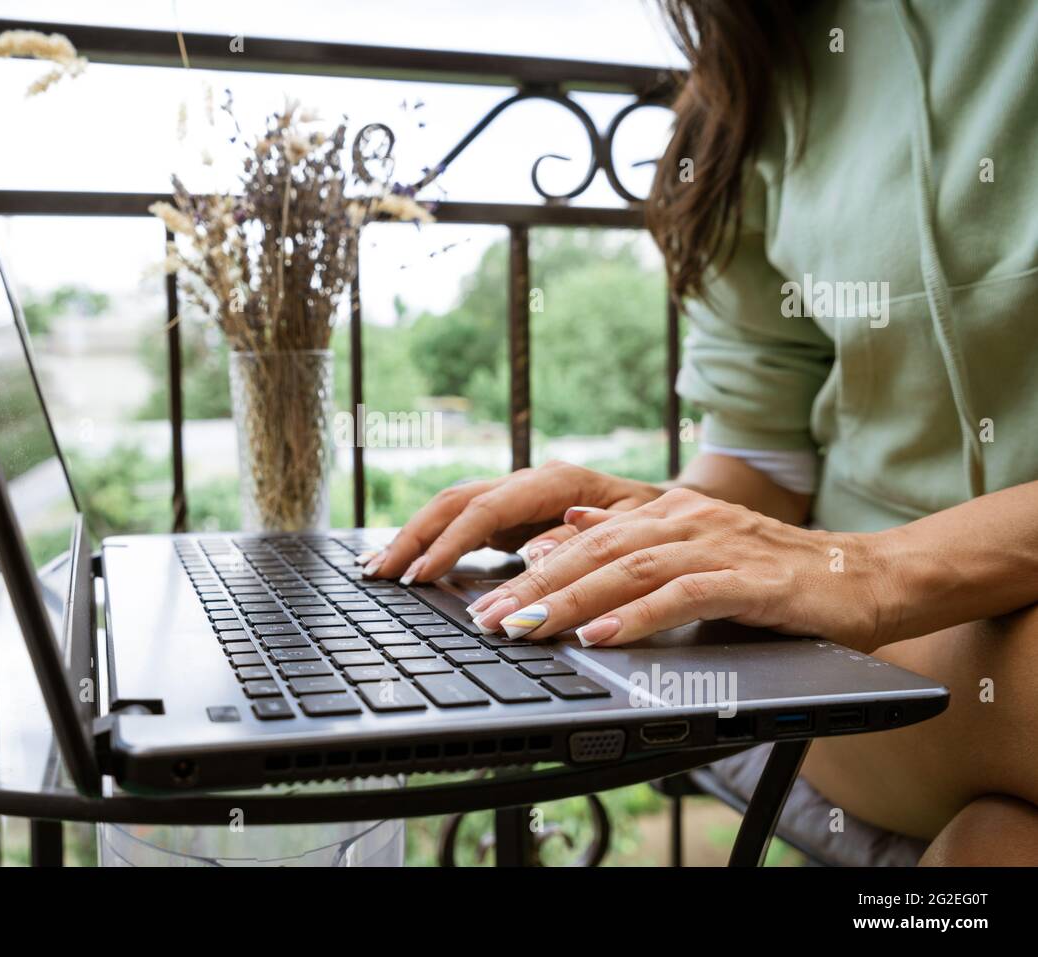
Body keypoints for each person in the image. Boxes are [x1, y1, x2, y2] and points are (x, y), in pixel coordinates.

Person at [363, 0, 1038, 865]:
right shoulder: (771, 59)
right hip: (868, 652)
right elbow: (763, 451)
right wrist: (651, 518)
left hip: (890, 628)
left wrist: (879, 568)